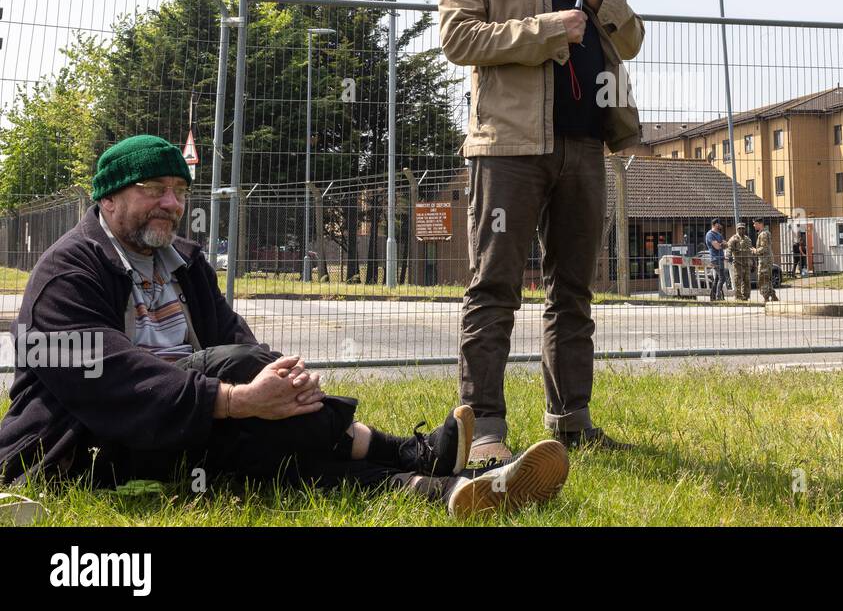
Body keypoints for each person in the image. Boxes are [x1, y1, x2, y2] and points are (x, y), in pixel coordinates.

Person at [0, 135, 569, 517]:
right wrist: (236, 396)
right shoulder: (66, 274)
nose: (171, 204)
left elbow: (232, 332)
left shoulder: (184, 260)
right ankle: (408, 453)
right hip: (82, 446)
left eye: (179, 192)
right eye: (154, 190)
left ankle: (435, 489)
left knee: (259, 446)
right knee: (243, 385)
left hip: (178, 424)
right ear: (109, 196)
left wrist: (281, 382)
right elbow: (110, 381)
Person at [438, 0, 645, 464]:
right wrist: (546, 28)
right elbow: (458, 38)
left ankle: (572, 421)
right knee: (494, 287)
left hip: (585, 144)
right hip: (508, 146)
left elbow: (632, 38)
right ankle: (487, 430)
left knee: (573, 291)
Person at [753, 216, 778, 302]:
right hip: (766, 260)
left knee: (762, 279)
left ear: (760, 224)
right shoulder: (764, 233)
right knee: (767, 279)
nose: (754, 225)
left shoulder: (763, 234)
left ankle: (766, 298)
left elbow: (764, 248)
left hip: (765, 261)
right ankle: (773, 296)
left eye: (755, 224)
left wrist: (755, 251)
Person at [726, 222, 754, 301]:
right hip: (738, 263)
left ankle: (746, 297)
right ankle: (738, 297)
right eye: (739, 228)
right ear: (737, 229)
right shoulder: (734, 238)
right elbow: (729, 248)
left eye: (742, 228)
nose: (741, 230)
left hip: (747, 263)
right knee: (738, 280)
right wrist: (728, 256)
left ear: (745, 229)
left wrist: (753, 262)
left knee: (747, 281)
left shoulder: (748, 239)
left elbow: (750, 250)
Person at [704, 217, 729, 301]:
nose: (720, 226)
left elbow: (726, 245)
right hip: (715, 259)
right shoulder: (710, 234)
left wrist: (721, 244)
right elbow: (717, 246)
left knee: (717, 279)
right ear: (715, 225)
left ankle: (712, 296)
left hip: (721, 258)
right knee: (722, 278)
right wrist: (721, 244)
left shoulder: (719, 234)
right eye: (719, 224)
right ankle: (719, 296)